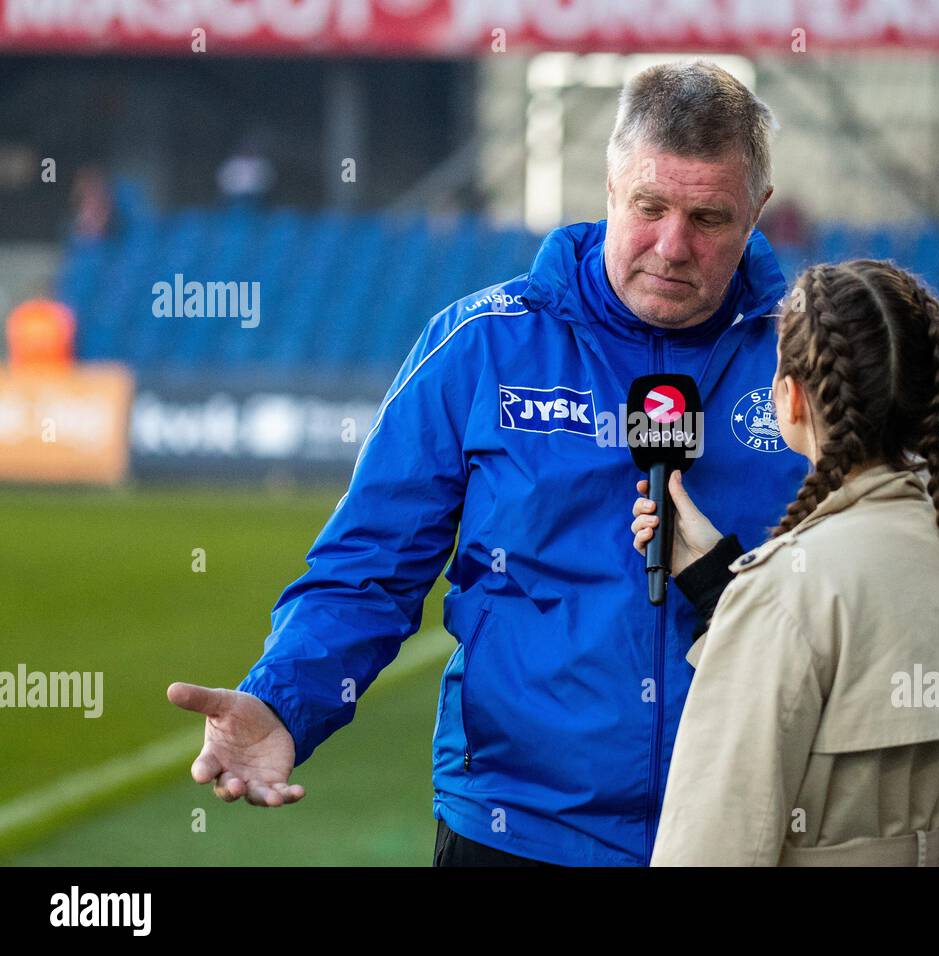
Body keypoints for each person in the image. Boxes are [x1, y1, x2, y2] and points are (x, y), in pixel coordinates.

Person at [166, 60, 810, 866]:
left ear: (758, 210)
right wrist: (282, 701)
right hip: (515, 827)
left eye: (709, 218)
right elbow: (370, 567)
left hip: (744, 828)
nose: (672, 246)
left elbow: (861, 583)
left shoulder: (809, 362)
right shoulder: (482, 345)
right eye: (650, 208)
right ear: (610, 187)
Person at [630, 260, 939, 865]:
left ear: (790, 398)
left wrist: (749, 603)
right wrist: (719, 589)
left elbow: (711, 846)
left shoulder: (784, 594)